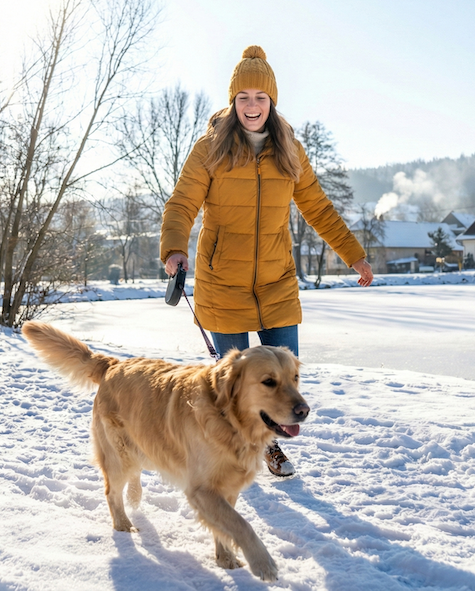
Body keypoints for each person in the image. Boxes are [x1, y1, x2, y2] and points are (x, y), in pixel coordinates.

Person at [160, 45, 374, 477]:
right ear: (232, 102)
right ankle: (253, 451)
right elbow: (182, 202)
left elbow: (319, 208)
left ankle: (267, 441)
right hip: (224, 282)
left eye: (260, 97)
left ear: (271, 101)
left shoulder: (289, 150)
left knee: (284, 375)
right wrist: (175, 249)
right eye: (243, 98)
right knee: (236, 384)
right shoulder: (210, 150)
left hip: (276, 280)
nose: (252, 106)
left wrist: (354, 255)